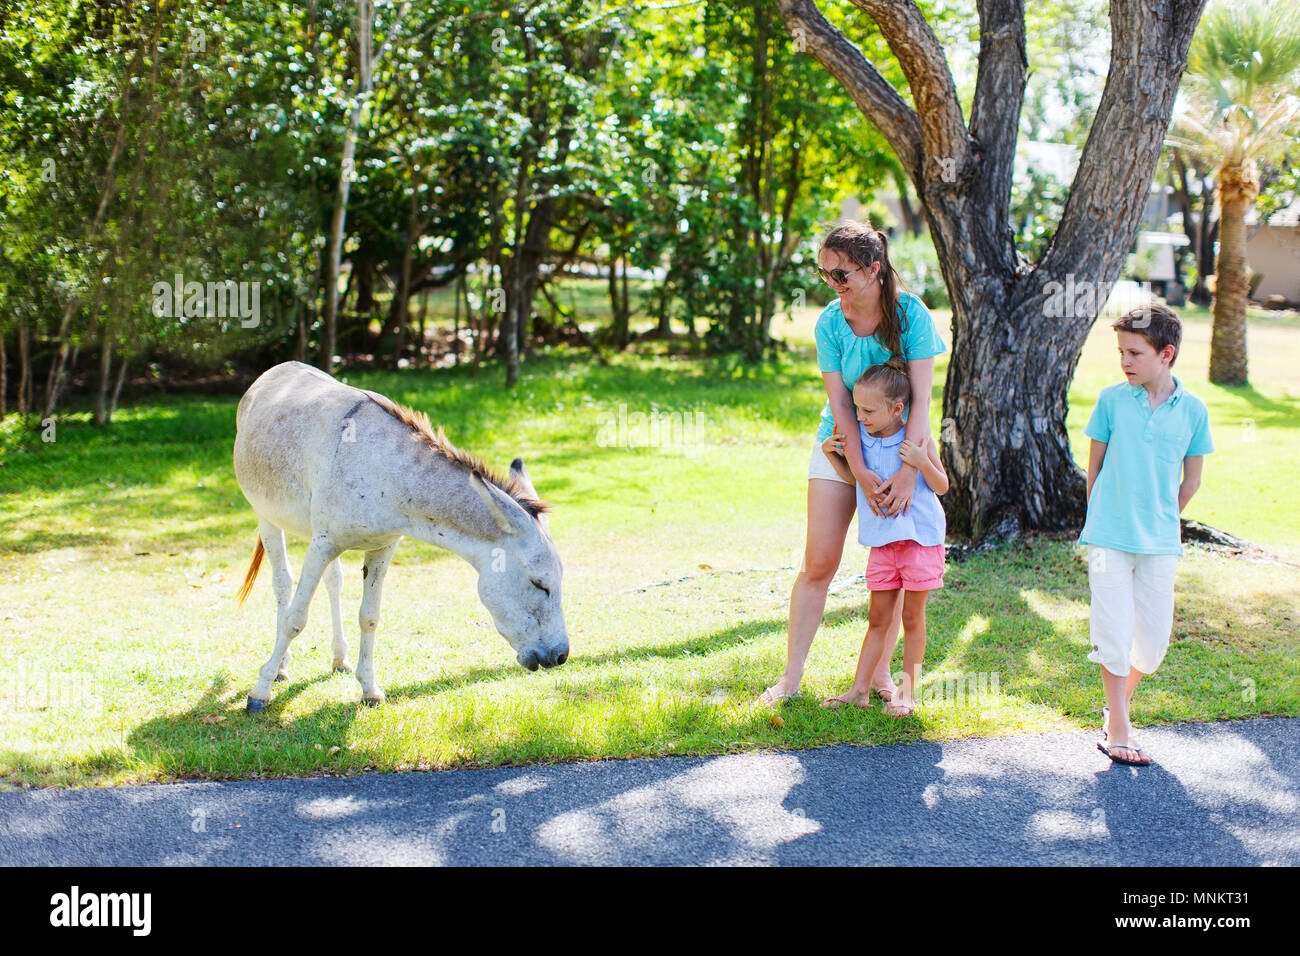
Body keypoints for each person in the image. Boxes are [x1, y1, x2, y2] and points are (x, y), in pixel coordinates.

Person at [758, 220, 946, 706]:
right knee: (819, 561)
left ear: (874, 270)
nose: (833, 285)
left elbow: (922, 403)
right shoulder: (829, 323)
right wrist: (859, 471)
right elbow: (841, 406)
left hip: (904, 449)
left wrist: (908, 471)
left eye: (841, 275)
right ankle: (790, 678)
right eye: (825, 275)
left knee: (897, 560)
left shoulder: (911, 317)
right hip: (842, 446)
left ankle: (882, 677)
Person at [1081, 303, 1213, 766]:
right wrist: (1101, 517)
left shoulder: (1193, 410)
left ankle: (1116, 704)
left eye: (1135, 353)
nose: (1125, 362)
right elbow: (1094, 469)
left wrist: (1160, 517)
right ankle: (1118, 723)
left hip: (1159, 542)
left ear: (1167, 354)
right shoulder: (1111, 400)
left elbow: (1191, 480)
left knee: (1152, 644)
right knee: (1113, 632)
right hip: (1107, 537)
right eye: (1121, 352)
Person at [817, 360, 948, 716]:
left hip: (920, 542)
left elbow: (942, 486)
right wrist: (833, 454)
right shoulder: (862, 441)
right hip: (883, 545)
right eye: (857, 408)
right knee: (877, 620)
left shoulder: (917, 438)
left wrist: (921, 462)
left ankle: (907, 693)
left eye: (868, 410)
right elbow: (855, 482)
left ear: (897, 409)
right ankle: (859, 690)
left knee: (912, 620)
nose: (860, 416)